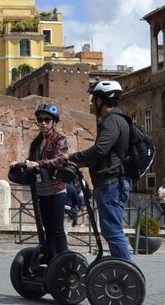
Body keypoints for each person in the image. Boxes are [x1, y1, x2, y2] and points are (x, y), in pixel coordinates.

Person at [67, 80, 132, 261]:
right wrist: (83, 164)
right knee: (111, 229)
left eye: (94, 99)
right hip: (110, 181)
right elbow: (106, 155)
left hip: (111, 183)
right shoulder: (116, 120)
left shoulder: (113, 121)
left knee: (112, 230)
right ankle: (121, 269)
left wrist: (73, 157)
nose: (92, 103)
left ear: (100, 100)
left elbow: (100, 150)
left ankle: (126, 274)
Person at [16, 102, 70, 266]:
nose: (43, 123)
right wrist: (20, 163)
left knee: (57, 228)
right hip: (41, 189)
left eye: (47, 120)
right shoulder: (36, 142)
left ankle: (65, 261)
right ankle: (51, 258)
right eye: (40, 120)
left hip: (55, 189)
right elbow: (31, 161)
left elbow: (58, 159)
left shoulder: (59, 139)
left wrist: (39, 164)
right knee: (46, 227)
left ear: (54, 122)